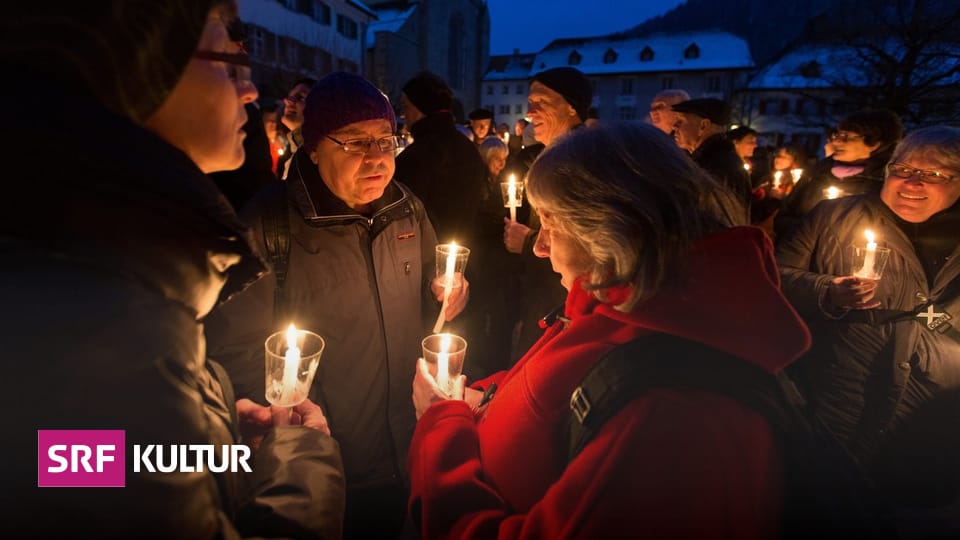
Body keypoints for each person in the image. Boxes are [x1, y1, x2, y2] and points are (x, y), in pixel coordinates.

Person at [1, 2, 344, 538]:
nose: (251, 91)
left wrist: (208, 436)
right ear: (135, 68)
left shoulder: (102, 278)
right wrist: (303, 467)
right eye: (230, 62)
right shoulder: (102, 335)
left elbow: (75, 464)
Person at [408, 121, 812, 538]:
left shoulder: (675, 417)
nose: (540, 247)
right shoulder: (623, 306)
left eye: (550, 225)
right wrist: (485, 399)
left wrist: (441, 429)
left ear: (607, 230)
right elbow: (562, 391)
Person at [205, 71, 468, 540]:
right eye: (355, 142)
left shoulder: (407, 209)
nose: (377, 157)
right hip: (325, 460)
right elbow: (235, 348)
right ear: (313, 148)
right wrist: (296, 436)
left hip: (406, 446)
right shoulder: (268, 225)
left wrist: (451, 291)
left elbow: (434, 283)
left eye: (385, 140)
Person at [776, 126, 960, 534]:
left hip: (928, 416)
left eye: (934, 174)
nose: (912, 182)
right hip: (836, 394)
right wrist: (826, 290)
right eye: (903, 168)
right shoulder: (833, 217)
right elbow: (775, 277)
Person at [503, 66, 592, 361]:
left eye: (541, 102)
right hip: (547, 294)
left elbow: (585, 241)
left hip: (563, 299)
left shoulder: (579, 162)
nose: (530, 112)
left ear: (571, 106)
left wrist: (527, 241)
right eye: (530, 103)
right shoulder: (557, 155)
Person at [776, 109, 902, 240]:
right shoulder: (815, 173)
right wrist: (808, 232)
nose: (836, 142)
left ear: (874, 143)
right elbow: (784, 217)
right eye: (837, 136)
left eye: (845, 137)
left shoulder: (885, 182)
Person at [396, 71, 486, 245]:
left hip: (426, 253)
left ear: (421, 109)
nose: (402, 115)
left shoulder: (415, 157)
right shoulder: (469, 148)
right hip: (466, 249)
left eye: (405, 107)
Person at [672, 97, 752, 219]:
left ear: (703, 126)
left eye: (681, 121)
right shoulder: (711, 160)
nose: (674, 127)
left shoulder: (717, 168)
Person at [276, 77, 316, 180]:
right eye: (289, 96)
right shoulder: (291, 151)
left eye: (301, 97)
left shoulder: (322, 158)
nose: (287, 101)